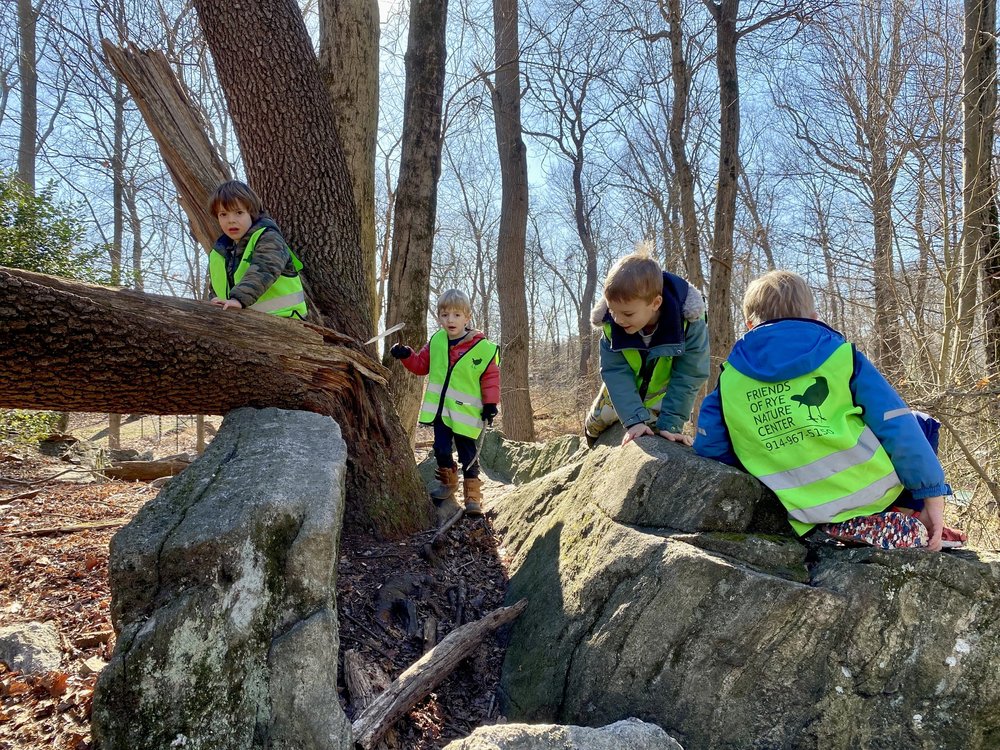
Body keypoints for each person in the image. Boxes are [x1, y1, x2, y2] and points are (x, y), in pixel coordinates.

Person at [693, 270, 966, 551]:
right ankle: (909, 514)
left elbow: (710, 444)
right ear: (813, 318)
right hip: (871, 490)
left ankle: (855, 522)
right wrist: (932, 495)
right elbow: (894, 422)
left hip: (801, 507)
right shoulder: (842, 356)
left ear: (749, 325)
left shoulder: (730, 377)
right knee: (920, 422)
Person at [389, 289, 500, 516]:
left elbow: (490, 378)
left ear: (467, 317)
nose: (451, 320)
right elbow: (421, 365)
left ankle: (473, 498)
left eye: (457, 315)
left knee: (468, 456)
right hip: (441, 412)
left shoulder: (483, 348)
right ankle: (448, 483)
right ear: (439, 317)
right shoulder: (437, 340)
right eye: (445, 314)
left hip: (468, 413)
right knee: (440, 449)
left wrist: (490, 405)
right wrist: (406, 355)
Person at [584, 252, 710, 448]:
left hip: (661, 395)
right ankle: (590, 442)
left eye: (627, 313)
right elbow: (615, 371)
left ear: (655, 303)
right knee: (597, 424)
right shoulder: (611, 324)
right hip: (619, 389)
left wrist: (672, 423)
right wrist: (633, 421)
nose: (618, 320)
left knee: (660, 428)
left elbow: (690, 374)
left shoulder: (690, 323)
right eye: (612, 310)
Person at [207, 180, 307, 319]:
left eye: (239, 212)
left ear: (252, 213)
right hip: (242, 325)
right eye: (223, 214)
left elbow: (265, 268)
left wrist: (238, 300)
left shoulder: (269, 237)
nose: (231, 220)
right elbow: (215, 291)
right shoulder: (218, 253)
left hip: (284, 320)